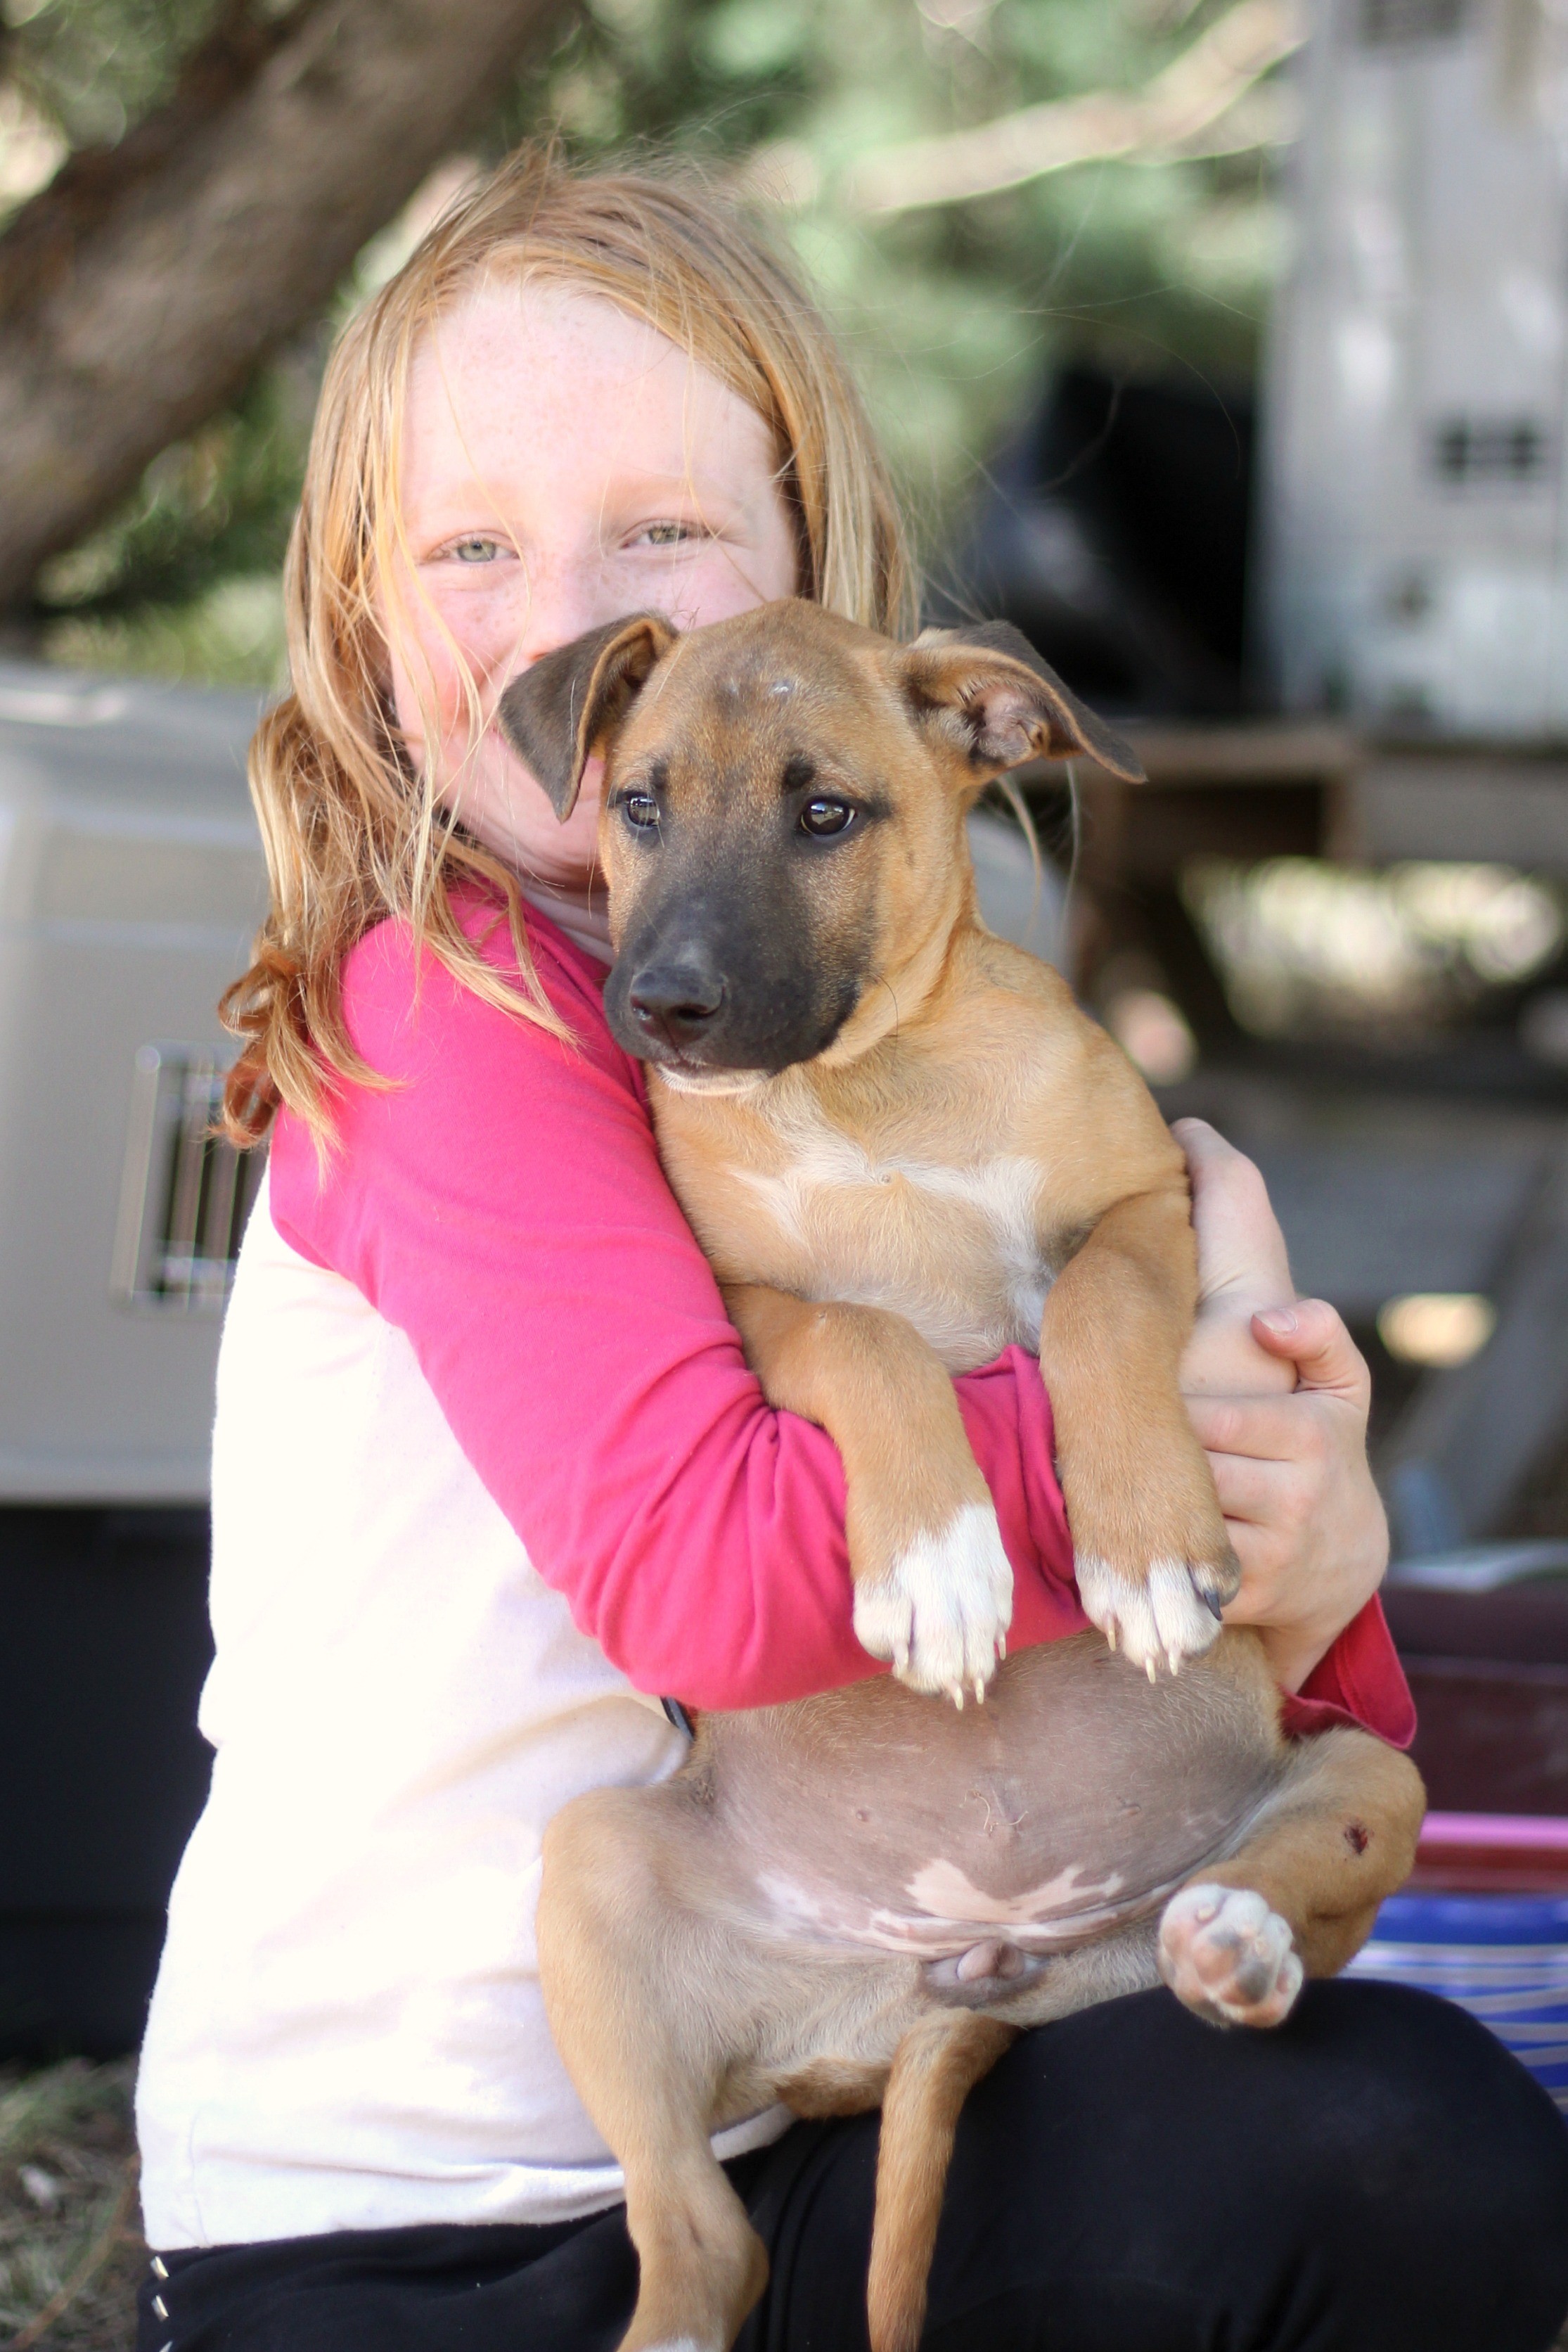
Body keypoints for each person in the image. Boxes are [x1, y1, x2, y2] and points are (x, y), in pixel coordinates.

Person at [133, 149, 1568, 2352]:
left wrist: (1311, 1526)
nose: (572, 617)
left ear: (807, 561)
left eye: (662, 532)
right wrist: (1145, 1436)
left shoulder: (897, 1015)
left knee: (1414, 2145)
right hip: (431, 2221)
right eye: (473, 546)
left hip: (837, 2065)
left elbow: (1266, 1683)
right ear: (360, 615)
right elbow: (711, 1576)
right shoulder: (448, 1011)